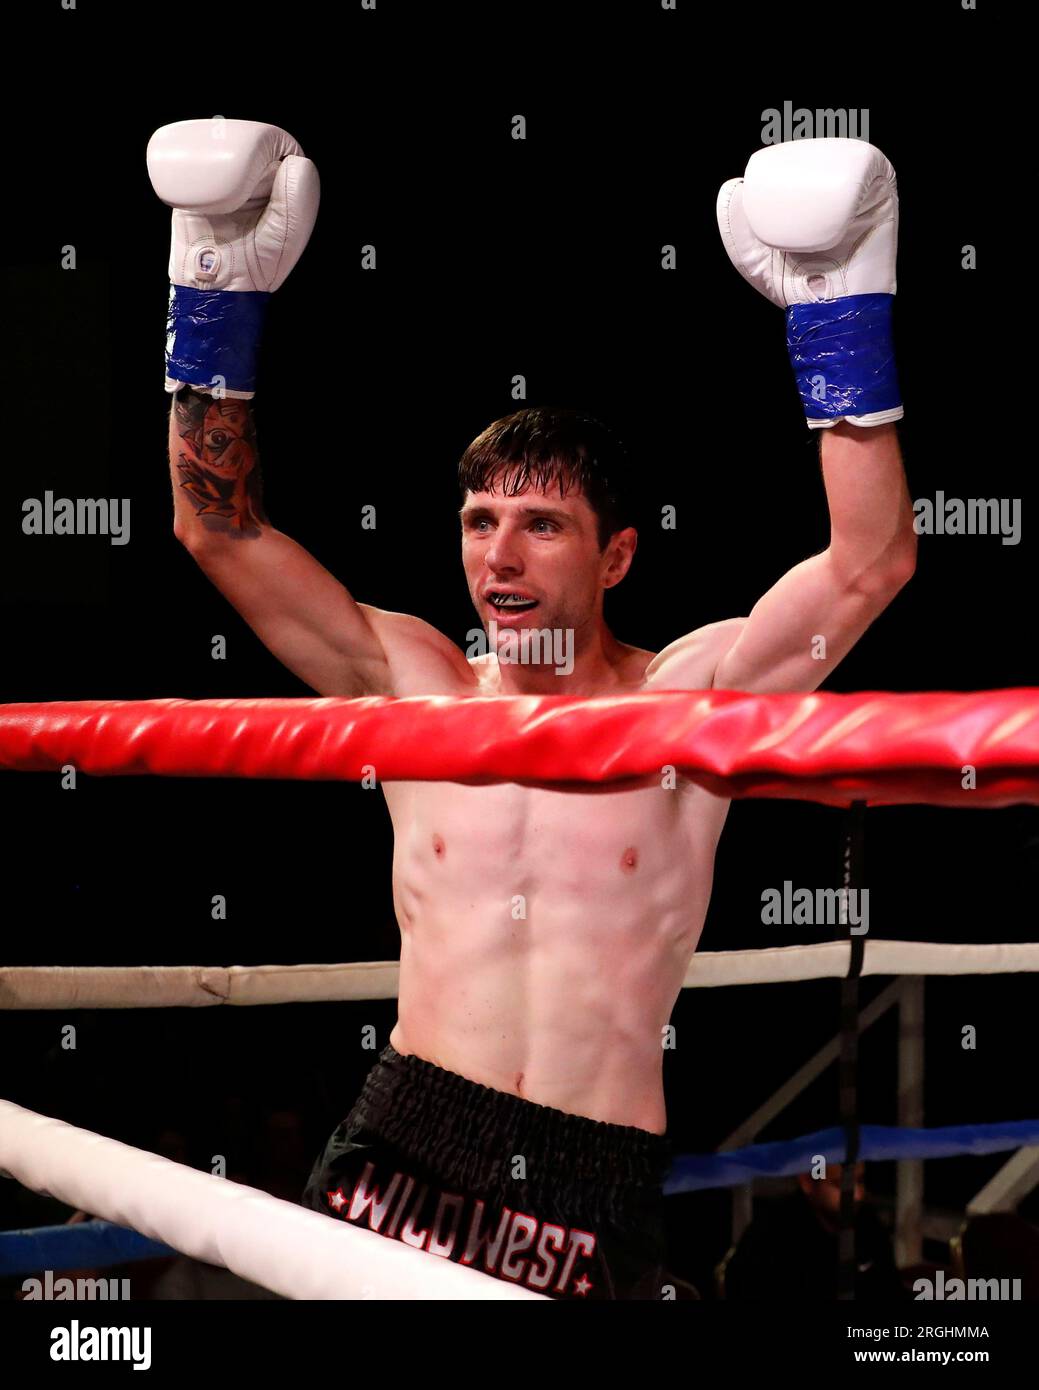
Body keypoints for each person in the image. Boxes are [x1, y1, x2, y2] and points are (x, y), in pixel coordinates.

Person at [151, 121, 917, 1298]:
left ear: (614, 558)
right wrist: (211, 286)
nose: (498, 557)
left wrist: (836, 316)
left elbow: (867, 563)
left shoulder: (689, 701)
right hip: (397, 1136)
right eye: (477, 523)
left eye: (540, 525)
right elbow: (218, 528)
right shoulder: (413, 683)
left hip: (588, 1173)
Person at [723, 1163, 905, 1301]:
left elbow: (890, 1288)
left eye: (860, 1181)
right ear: (807, 1182)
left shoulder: (866, 1222)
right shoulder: (770, 1233)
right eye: (842, 1184)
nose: (857, 1194)